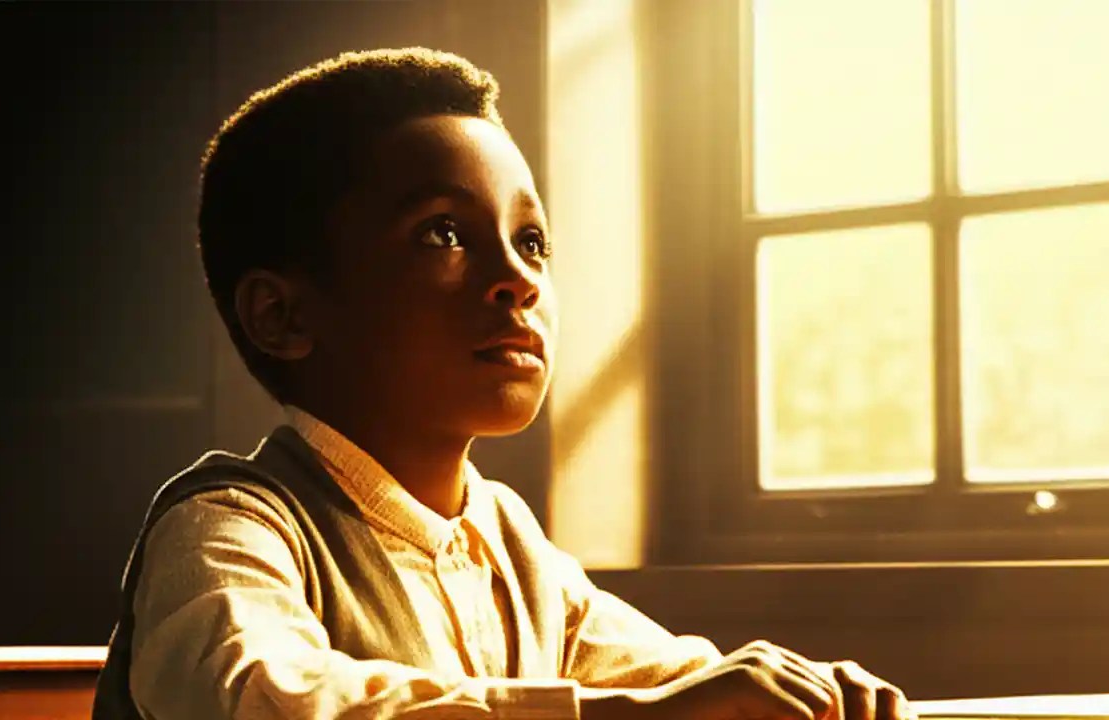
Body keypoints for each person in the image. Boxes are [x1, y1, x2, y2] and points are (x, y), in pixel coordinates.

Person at [92, 47, 913, 720]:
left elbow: (673, 679)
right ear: (282, 316)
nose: (516, 280)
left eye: (532, 242)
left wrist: (806, 698)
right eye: (443, 234)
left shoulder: (510, 545)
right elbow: (269, 700)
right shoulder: (228, 527)